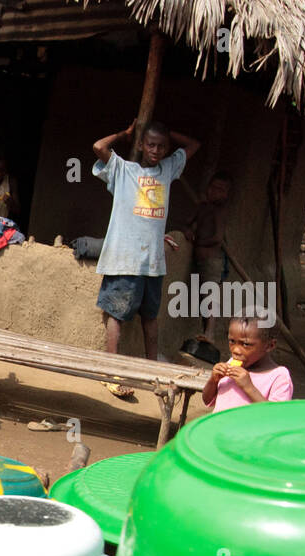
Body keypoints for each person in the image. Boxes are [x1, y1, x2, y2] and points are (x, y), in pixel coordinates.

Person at [92, 119, 200, 397]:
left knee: (150, 317)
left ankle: (152, 369)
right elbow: (98, 146)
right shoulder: (123, 170)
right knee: (117, 314)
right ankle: (111, 370)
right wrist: (126, 133)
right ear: (141, 145)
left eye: (161, 146)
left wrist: (165, 130)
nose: (156, 150)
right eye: (150, 144)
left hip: (152, 262)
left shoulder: (167, 169)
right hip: (124, 258)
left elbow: (193, 145)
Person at [201, 310, 293, 411]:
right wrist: (213, 380)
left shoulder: (279, 376)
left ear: (269, 345)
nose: (235, 350)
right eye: (232, 341)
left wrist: (249, 387)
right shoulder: (230, 364)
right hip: (220, 426)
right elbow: (206, 400)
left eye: (245, 344)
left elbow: (276, 415)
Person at [184, 171, 232, 344]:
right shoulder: (203, 207)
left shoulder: (220, 212)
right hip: (200, 261)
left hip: (212, 262)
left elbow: (217, 238)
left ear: (226, 194)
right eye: (213, 187)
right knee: (202, 297)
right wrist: (188, 231)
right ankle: (205, 332)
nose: (215, 192)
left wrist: (200, 242)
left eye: (221, 189)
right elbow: (188, 222)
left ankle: (210, 333)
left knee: (210, 297)